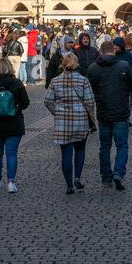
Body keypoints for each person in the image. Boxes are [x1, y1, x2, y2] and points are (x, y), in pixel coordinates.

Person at [87, 40, 132, 189]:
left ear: (101, 51)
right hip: (121, 111)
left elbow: (90, 89)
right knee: (122, 145)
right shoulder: (124, 65)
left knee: (104, 146)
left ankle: (106, 177)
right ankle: (118, 173)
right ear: (114, 50)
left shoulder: (93, 68)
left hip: (103, 112)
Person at [45, 51, 96, 195]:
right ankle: (77, 177)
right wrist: (91, 117)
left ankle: (69, 185)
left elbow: (47, 101)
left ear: (63, 64)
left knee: (66, 154)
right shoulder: (83, 80)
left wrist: (57, 112)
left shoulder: (55, 81)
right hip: (80, 120)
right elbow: (90, 102)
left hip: (62, 121)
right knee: (80, 150)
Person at [0, 58, 30, 192]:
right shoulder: (16, 83)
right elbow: (25, 103)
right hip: (14, 123)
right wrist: (16, 109)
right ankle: (11, 183)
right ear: (10, 68)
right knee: (11, 154)